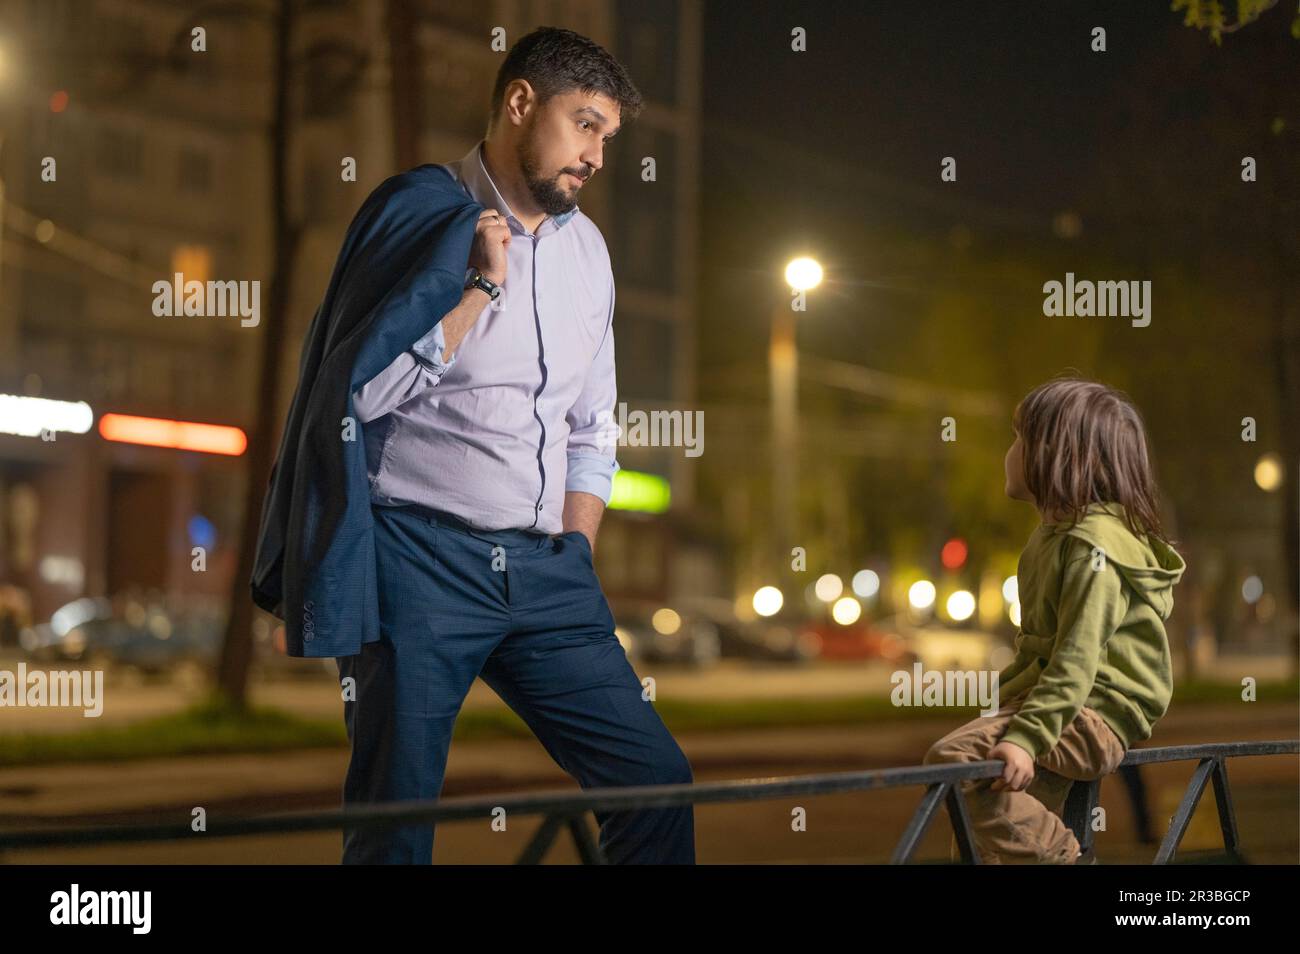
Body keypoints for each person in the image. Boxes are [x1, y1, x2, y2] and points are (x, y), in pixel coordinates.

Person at [332, 27, 694, 864]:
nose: (599, 155)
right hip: (416, 561)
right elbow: (357, 397)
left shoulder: (590, 253)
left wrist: (576, 547)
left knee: (657, 781)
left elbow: (592, 424)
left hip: (546, 573)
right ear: (521, 103)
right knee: (395, 827)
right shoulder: (418, 214)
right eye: (586, 125)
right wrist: (478, 292)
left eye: (609, 136)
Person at [923, 376, 1185, 863]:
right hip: (1062, 707)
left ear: (1057, 453)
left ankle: (1063, 858)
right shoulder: (1050, 539)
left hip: (1095, 714)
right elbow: (1034, 653)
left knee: (955, 762)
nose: (1010, 452)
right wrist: (1003, 709)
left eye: (1020, 438)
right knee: (983, 831)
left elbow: (1075, 658)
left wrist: (1023, 738)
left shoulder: (1092, 547)